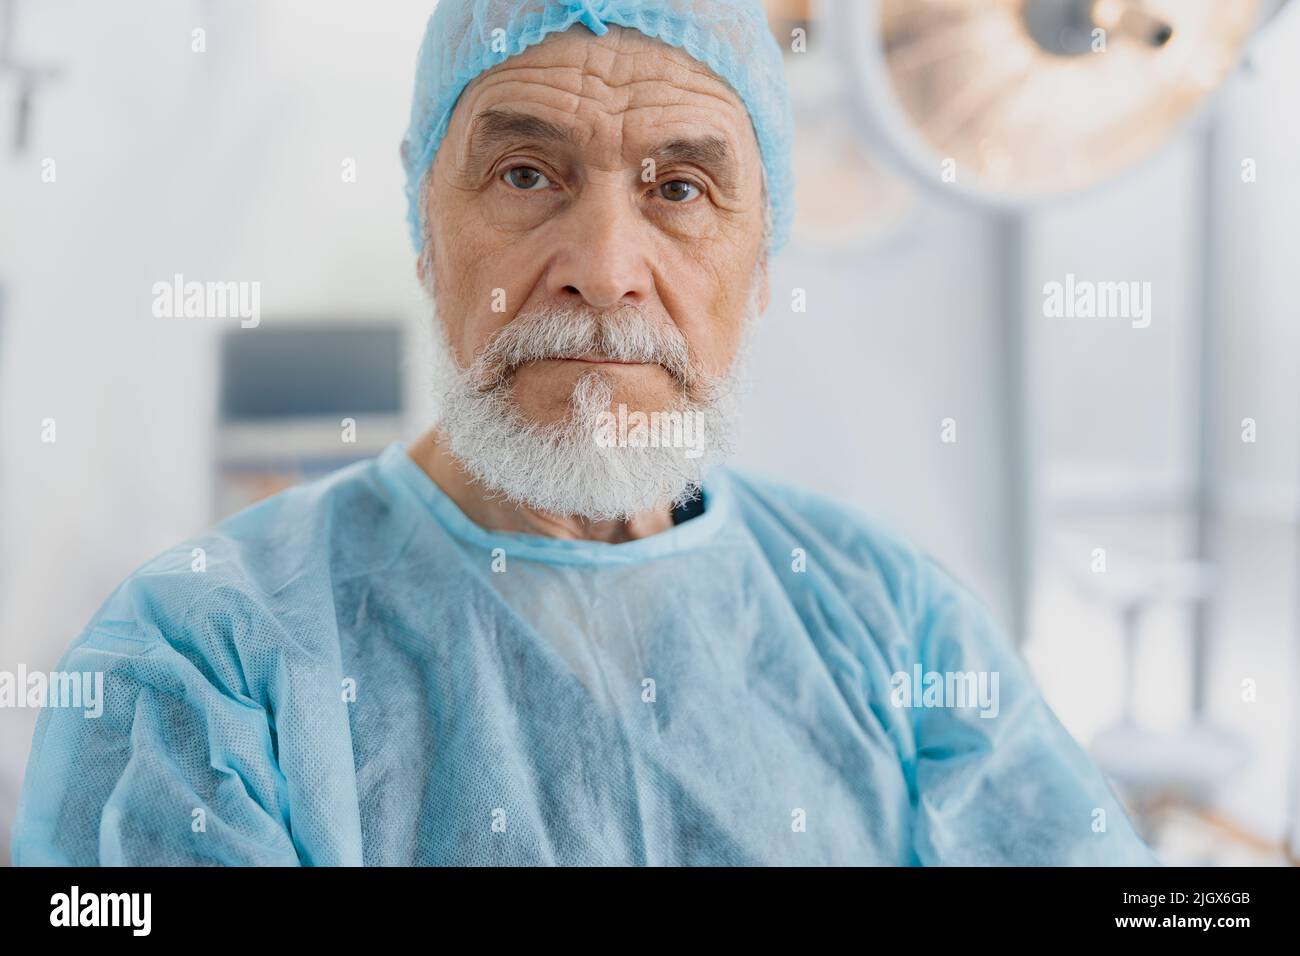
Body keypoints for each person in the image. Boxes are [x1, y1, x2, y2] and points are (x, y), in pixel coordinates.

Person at [12, 0, 1159, 866]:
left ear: (761, 262)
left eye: (681, 190)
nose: (604, 271)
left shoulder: (895, 623)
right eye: (524, 173)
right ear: (426, 232)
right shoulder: (200, 666)